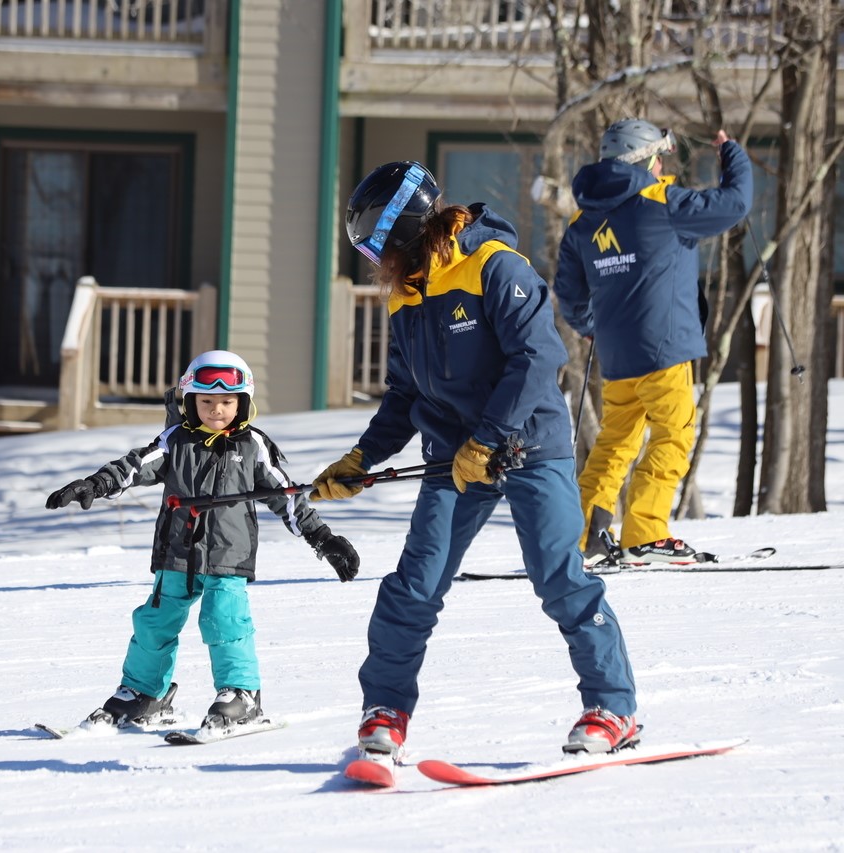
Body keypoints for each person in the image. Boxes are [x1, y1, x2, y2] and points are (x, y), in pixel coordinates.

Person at [313, 160, 638, 756]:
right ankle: (385, 710)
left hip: (527, 444)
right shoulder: (407, 295)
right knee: (415, 583)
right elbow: (405, 393)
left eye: (377, 249)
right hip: (452, 456)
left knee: (559, 577)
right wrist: (363, 456)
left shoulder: (493, 265)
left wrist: (488, 438)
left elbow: (539, 358)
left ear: (403, 229)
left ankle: (612, 707)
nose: (377, 265)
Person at [46, 349, 360, 733]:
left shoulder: (253, 447)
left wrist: (323, 539)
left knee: (223, 619)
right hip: (176, 553)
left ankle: (241, 695)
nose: (216, 410)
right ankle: (143, 693)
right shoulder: (174, 441)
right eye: (206, 401)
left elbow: (288, 498)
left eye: (227, 402)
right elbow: (135, 466)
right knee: (154, 622)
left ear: (242, 403)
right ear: (191, 402)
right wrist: (95, 484)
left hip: (228, 556)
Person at [554, 119, 753, 565]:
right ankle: (645, 533)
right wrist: (732, 154)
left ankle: (584, 536)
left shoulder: (582, 219)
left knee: (615, 441)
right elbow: (736, 202)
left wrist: (589, 326)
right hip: (665, 349)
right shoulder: (663, 202)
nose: (662, 166)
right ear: (645, 160)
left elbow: (569, 291)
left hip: (617, 356)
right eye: (659, 157)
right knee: (673, 434)